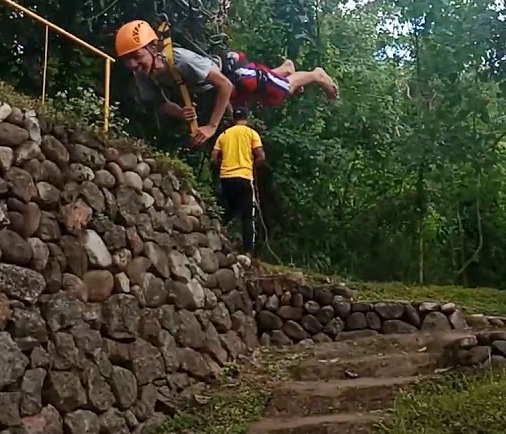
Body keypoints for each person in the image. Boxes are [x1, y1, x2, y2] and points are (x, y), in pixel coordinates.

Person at [114, 20, 338, 146]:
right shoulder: (143, 75)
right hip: (217, 86)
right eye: (128, 61)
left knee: (280, 91)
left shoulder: (180, 59)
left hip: (231, 74)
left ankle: (315, 75)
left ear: (153, 48)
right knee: (259, 99)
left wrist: (210, 126)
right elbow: (160, 103)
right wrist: (182, 114)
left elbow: (225, 85)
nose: (134, 65)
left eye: (137, 56)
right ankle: (284, 69)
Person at [211, 106, 265, 259]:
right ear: (246, 119)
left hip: (226, 178)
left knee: (230, 209)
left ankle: (216, 231)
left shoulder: (224, 135)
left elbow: (213, 158)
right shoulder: (251, 133)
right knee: (247, 215)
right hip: (244, 177)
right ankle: (248, 252)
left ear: (233, 119)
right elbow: (261, 156)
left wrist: (224, 164)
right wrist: (252, 164)